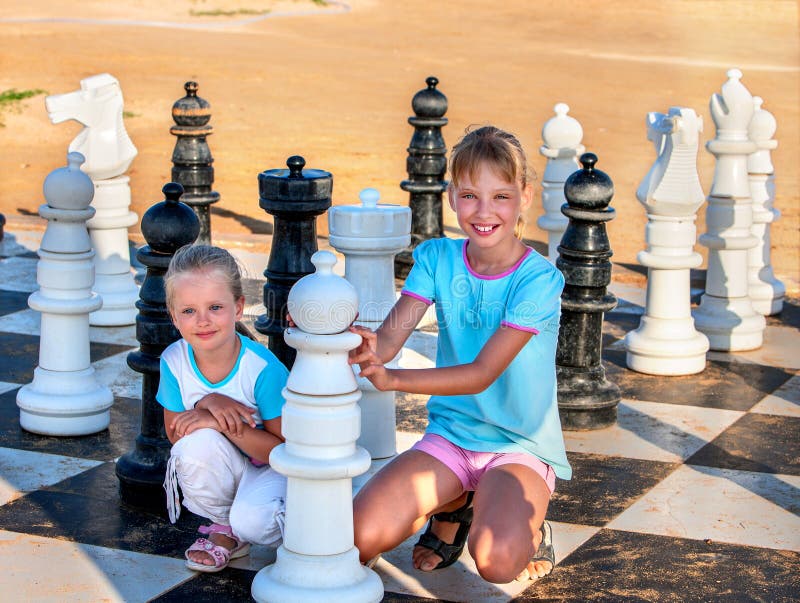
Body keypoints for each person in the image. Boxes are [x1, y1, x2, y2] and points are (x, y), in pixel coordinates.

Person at [349, 125, 571, 584]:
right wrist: (347, 338)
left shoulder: (538, 279)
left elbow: (481, 373)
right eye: (470, 195)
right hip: (452, 435)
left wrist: (393, 380)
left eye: (501, 196)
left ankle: (527, 524)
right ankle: (456, 503)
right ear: (452, 197)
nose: (484, 212)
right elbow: (387, 342)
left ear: (525, 197)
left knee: (496, 563)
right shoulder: (437, 258)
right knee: (357, 538)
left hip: (518, 445)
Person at [157, 244, 289, 573]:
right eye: (189, 311)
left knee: (255, 523)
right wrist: (208, 403)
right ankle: (225, 528)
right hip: (236, 466)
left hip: (276, 470)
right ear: (173, 316)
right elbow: (176, 435)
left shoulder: (262, 369)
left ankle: (309, 531)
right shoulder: (174, 360)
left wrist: (219, 422)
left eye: (215, 307)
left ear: (238, 307)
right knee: (192, 447)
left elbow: (284, 452)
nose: (202, 321)